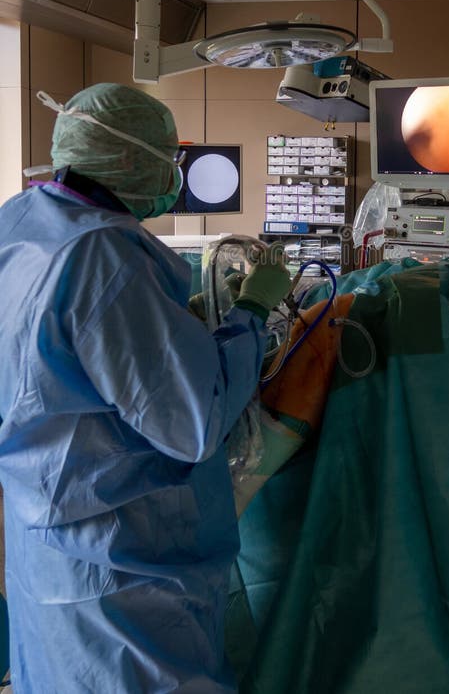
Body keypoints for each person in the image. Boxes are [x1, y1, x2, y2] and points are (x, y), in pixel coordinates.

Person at [0, 82, 292, 693]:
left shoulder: (21, 222)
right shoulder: (103, 254)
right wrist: (249, 318)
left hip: (45, 543)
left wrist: (169, 327)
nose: (173, 172)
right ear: (130, 160)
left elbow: (59, 358)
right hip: (121, 563)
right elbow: (193, 419)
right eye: (167, 157)